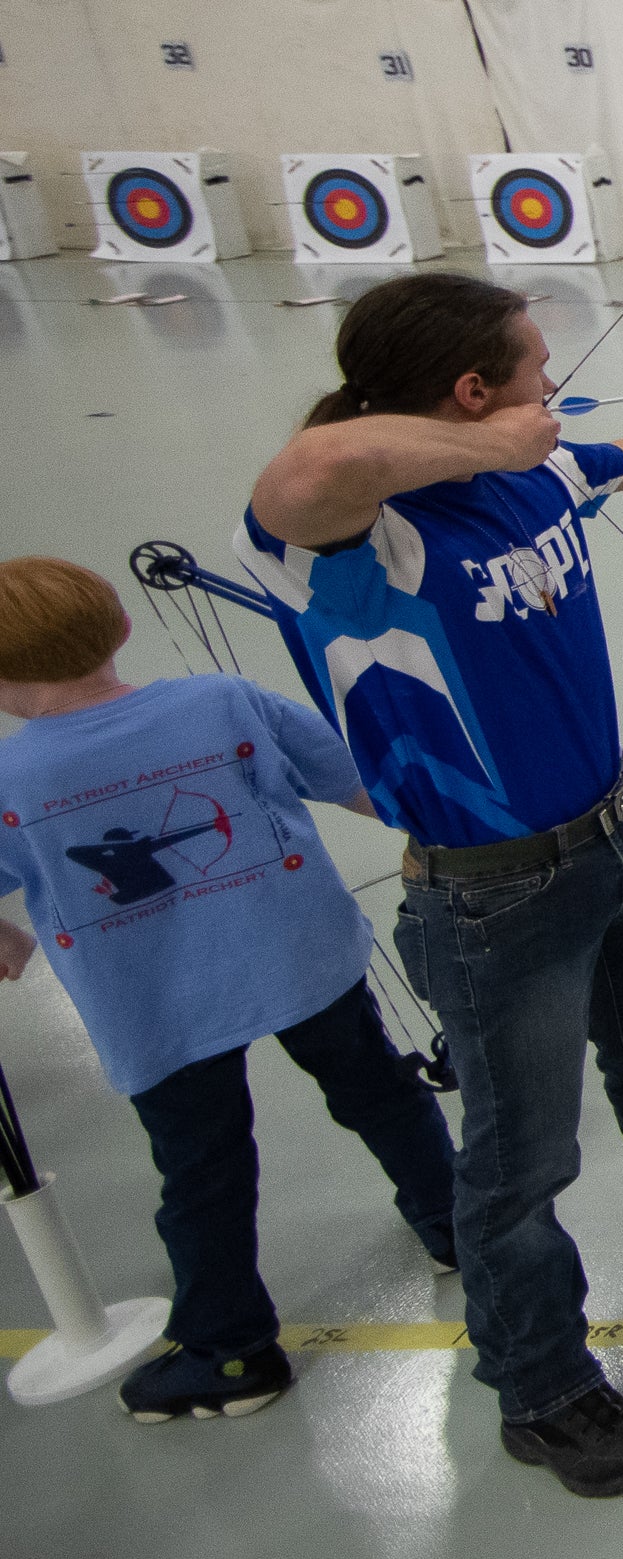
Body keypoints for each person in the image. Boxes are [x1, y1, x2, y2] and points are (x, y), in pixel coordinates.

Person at [240, 272, 623, 1497]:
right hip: (488, 891)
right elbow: (310, 467)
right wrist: (485, 440)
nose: (555, 380)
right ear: (471, 392)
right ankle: (540, 1387)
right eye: (532, 365)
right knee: (518, 1163)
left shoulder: (531, 474)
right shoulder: (349, 541)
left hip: (618, 827)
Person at [0, 557, 457, 1422]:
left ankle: (232, 1352)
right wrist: (450, 835)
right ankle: (458, 1229)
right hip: (300, 959)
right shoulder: (219, 702)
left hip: (158, 1009)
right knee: (382, 1094)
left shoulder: (14, 782)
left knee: (201, 1168)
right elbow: (363, 783)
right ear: (120, 629)